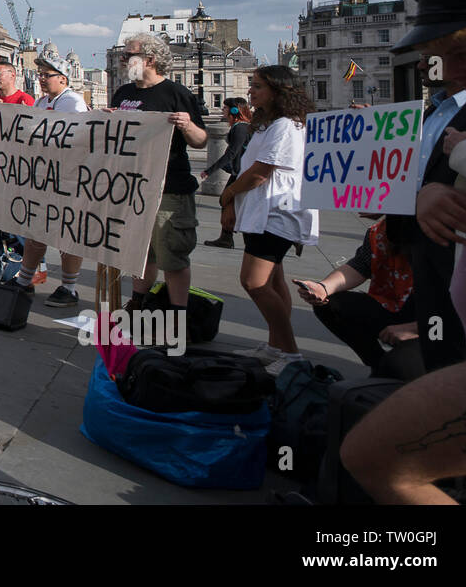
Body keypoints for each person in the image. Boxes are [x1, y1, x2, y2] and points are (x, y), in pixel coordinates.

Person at [341, 0, 466, 503]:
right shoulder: (443, 113)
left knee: (376, 457)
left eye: (465, 53)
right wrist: (423, 194)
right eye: (439, 58)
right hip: (454, 317)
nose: (450, 73)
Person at [385, 51, 466, 371]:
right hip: (420, 235)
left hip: (459, 237)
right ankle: (438, 370)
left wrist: (465, 154)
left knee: (459, 326)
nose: (419, 66)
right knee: (434, 319)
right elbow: (419, 170)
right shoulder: (432, 111)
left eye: (429, 58)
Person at [218, 66, 319, 375]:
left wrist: (228, 195)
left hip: (275, 213)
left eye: (258, 86)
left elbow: (261, 172)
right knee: (273, 280)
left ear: (278, 90)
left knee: (253, 282)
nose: (251, 91)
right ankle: (276, 345)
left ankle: (290, 353)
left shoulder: (286, 126)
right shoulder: (270, 123)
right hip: (262, 212)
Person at [109, 33, 208, 315]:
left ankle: (178, 315)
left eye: (129, 55)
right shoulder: (124, 93)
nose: (123, 59)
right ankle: (138, 303)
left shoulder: (176, 94)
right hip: (131, 186)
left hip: (168, 187)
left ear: (150, 59)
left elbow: (200, 140)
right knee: (139, 252)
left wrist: (186, 125)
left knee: (172, 255)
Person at [295, 218, 423, 380]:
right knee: (330, 304)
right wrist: (323, 288)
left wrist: (415, 329)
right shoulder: (380, 231)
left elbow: (449, 312)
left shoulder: (437, 239)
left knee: (408, 362)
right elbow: (360, 266)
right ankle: (379, 364)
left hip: (436, 325)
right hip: (394, 307)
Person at [32, 53, 91, 308]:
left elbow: (77, 138)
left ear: (63, 78)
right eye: (40, 75)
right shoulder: (41, 102)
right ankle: (24, 279)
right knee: (34, 230)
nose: (42, 79)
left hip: (67, 178)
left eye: (47, 75)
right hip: (42, 176)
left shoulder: (72, 102)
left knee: (68, 233)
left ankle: (69, 287)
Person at [202, 97, 254, 248]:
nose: (222, 110)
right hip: (240, 171)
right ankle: (226, 236)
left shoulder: (240, 128)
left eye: (225, 108)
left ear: (234, 110)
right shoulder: (241, 127)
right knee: (230, 202)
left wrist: (210, 170)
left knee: (227, 200)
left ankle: (227, 236)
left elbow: (231, 153)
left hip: (241, 173)